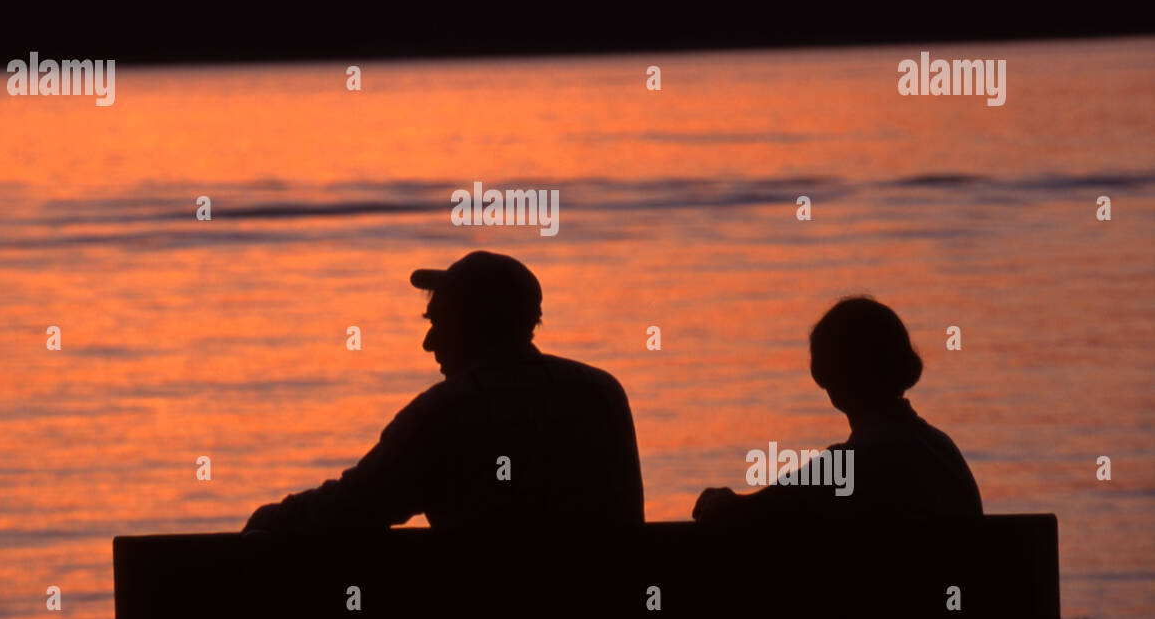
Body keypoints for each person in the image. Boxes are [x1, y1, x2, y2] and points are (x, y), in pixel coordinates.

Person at [244, 251, 645, 533]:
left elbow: (358, 504)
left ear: (473, 326)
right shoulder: (600, 394)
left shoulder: (446, 412)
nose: (428, 342)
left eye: (439, 323)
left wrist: (270, 519)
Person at [693, 296, 982, 527]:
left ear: (826, 376)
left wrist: (718, 500)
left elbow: (740, 514)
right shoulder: (941, 449)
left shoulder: (848, 466)